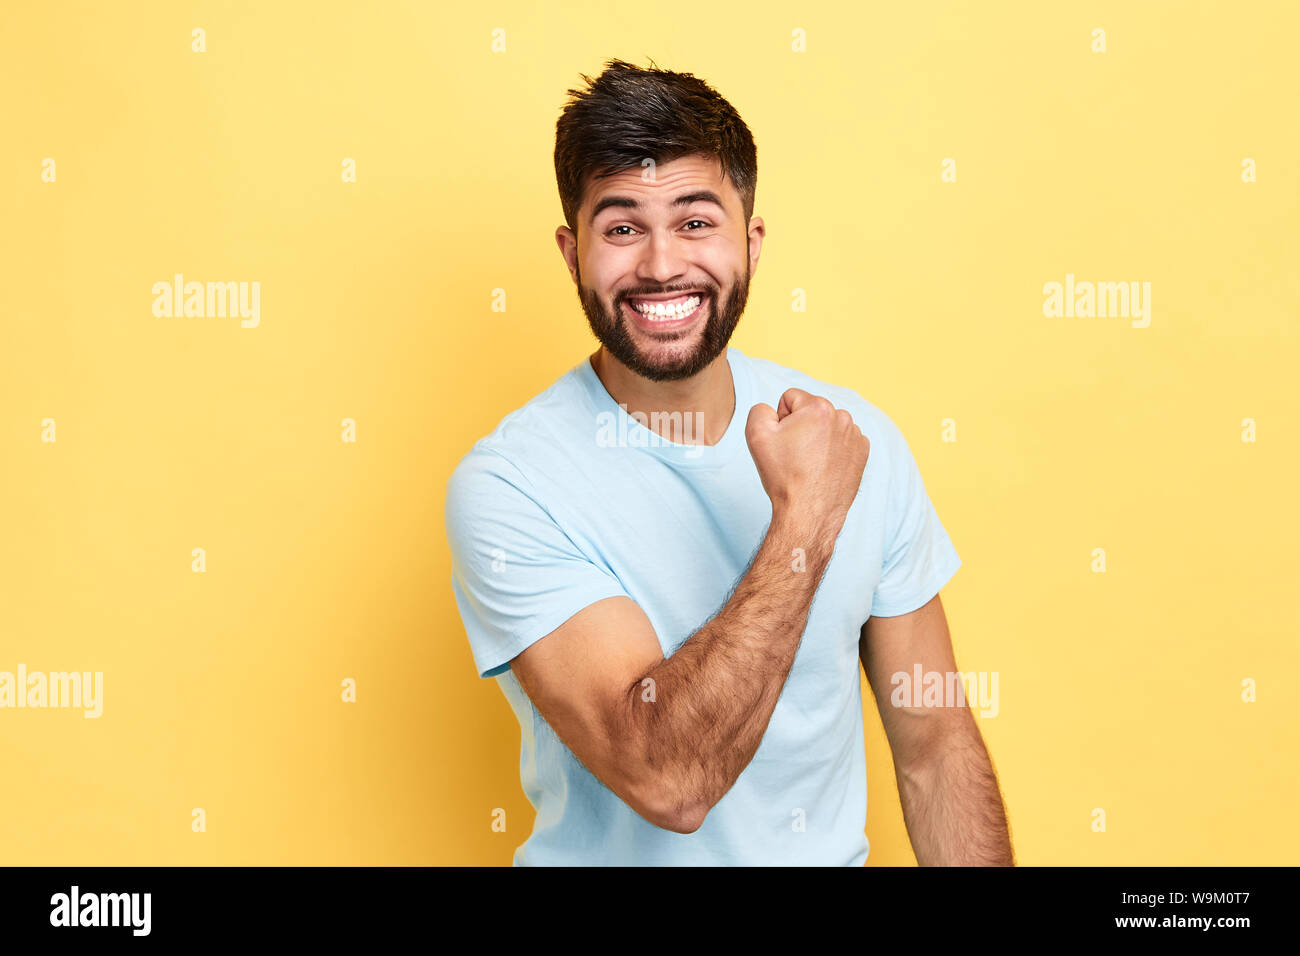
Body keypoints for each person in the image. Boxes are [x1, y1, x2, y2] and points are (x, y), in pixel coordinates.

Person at [445, 59, 1013, 866]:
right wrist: (808, 521)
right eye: (621, 227)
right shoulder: (510, 486)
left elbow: (934, 746)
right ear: (573, 253)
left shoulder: (857, 442)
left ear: (750, 241)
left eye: (696, 221)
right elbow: (669, 780)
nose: (662, 265)